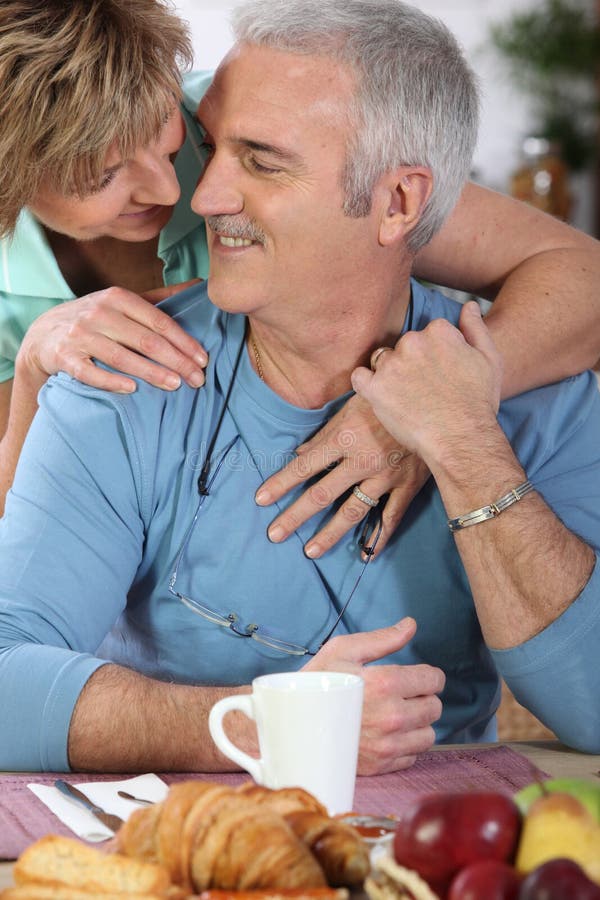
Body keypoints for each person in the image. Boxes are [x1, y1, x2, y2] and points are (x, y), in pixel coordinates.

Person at [0, 0, 598, 775]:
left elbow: (576, 271)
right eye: (101, 173)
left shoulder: (270, 101)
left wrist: (451, 420)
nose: (192, 190)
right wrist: (268, 722)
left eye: (245, 155)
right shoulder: (101, 383)